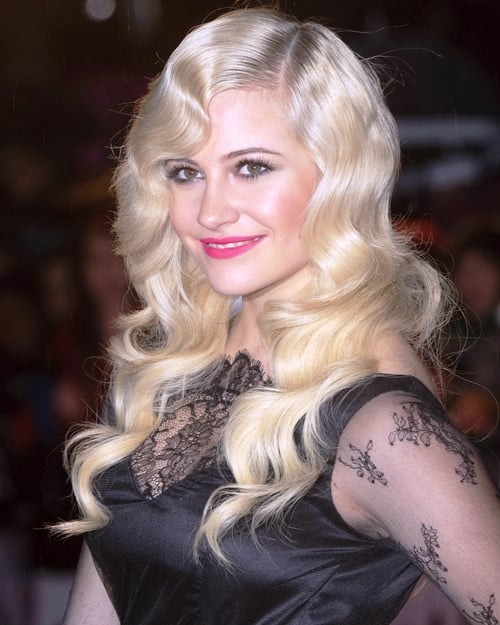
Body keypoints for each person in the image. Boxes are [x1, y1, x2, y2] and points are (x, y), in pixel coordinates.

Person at [59, 6, 500, 625]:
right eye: (185, 172)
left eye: (251, 167)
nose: (210, 211)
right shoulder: (160, 380)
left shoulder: (382, 427)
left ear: (337, 174)